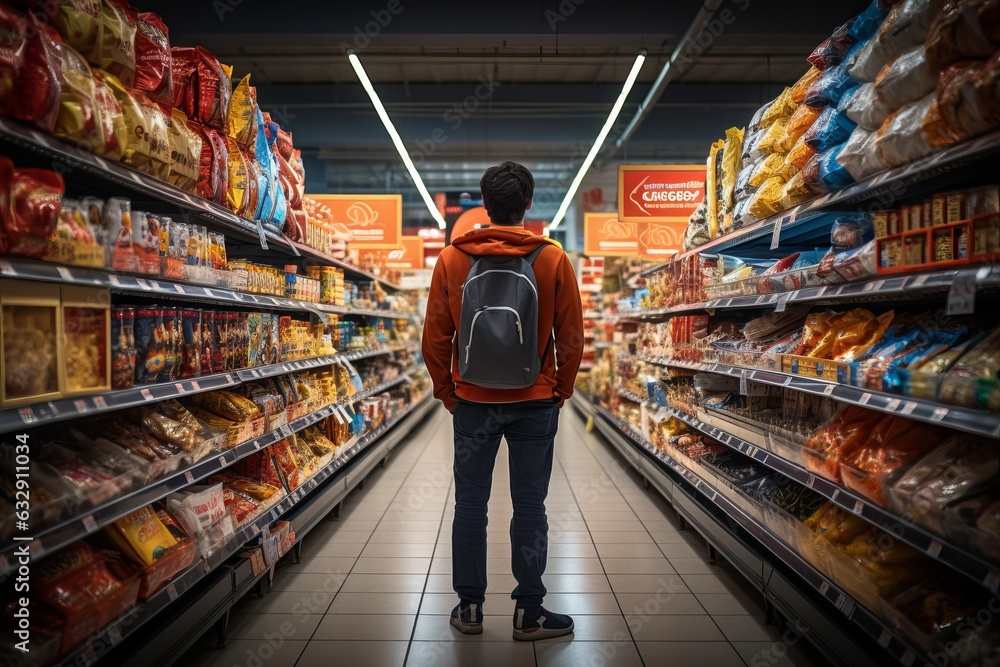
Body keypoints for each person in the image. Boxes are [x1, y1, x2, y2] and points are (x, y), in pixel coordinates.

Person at [421, 161, 584, 641]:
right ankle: (529, 612)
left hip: (473, 402)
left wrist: (448, 392)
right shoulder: (552, 258)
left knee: (471, 504)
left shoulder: (452, 259)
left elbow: (435, 338)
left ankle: (470, 608)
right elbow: (572, 338)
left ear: (484, 205)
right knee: (530, 505)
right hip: (535, 401)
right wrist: (560, 389)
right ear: (528, 204)